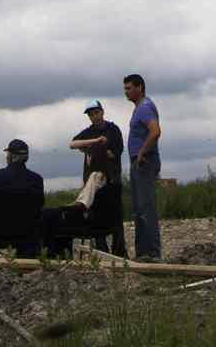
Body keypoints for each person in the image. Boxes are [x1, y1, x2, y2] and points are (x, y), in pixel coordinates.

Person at [67, 100, 128, 256]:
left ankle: (120, 252)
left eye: (96, 113)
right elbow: (72, 143)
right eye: (90, 114)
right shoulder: (89, 131)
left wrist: (93, 150)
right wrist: (94, 142)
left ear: (102, 112)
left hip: (111, 179)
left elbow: (112, 150)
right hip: (91, 180)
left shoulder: (112, 129)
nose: (93, 116)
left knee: (115, 217)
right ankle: (102, 252)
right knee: (96, 217)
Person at [124, 74, 163, 261]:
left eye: (129, 88)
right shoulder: (139, 108)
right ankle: (143, 253)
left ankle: (153, 253)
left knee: (146, 208)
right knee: (139, 209)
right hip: (138, 162)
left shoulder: (145, 107)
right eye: (125, 88)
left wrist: (141, 152)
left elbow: (155, 131)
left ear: (140, 87)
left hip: (144, 161)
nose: (126, 92)